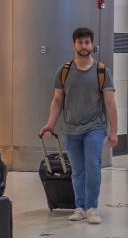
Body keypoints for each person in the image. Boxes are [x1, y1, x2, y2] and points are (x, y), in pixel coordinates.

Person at [38, 26, 119, 224]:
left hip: (95, 128)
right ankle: (80, 207)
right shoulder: (64, 71)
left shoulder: (102, 71)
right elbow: (58, 101)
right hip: (71, 129)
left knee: (92, 165)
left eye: (87, 42)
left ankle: (92, 207)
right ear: (73, 45)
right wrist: (50, 124)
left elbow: (110, 102)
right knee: (77, 169)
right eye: (80, 42)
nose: (84, 46)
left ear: (92, 45)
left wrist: (114, 131)